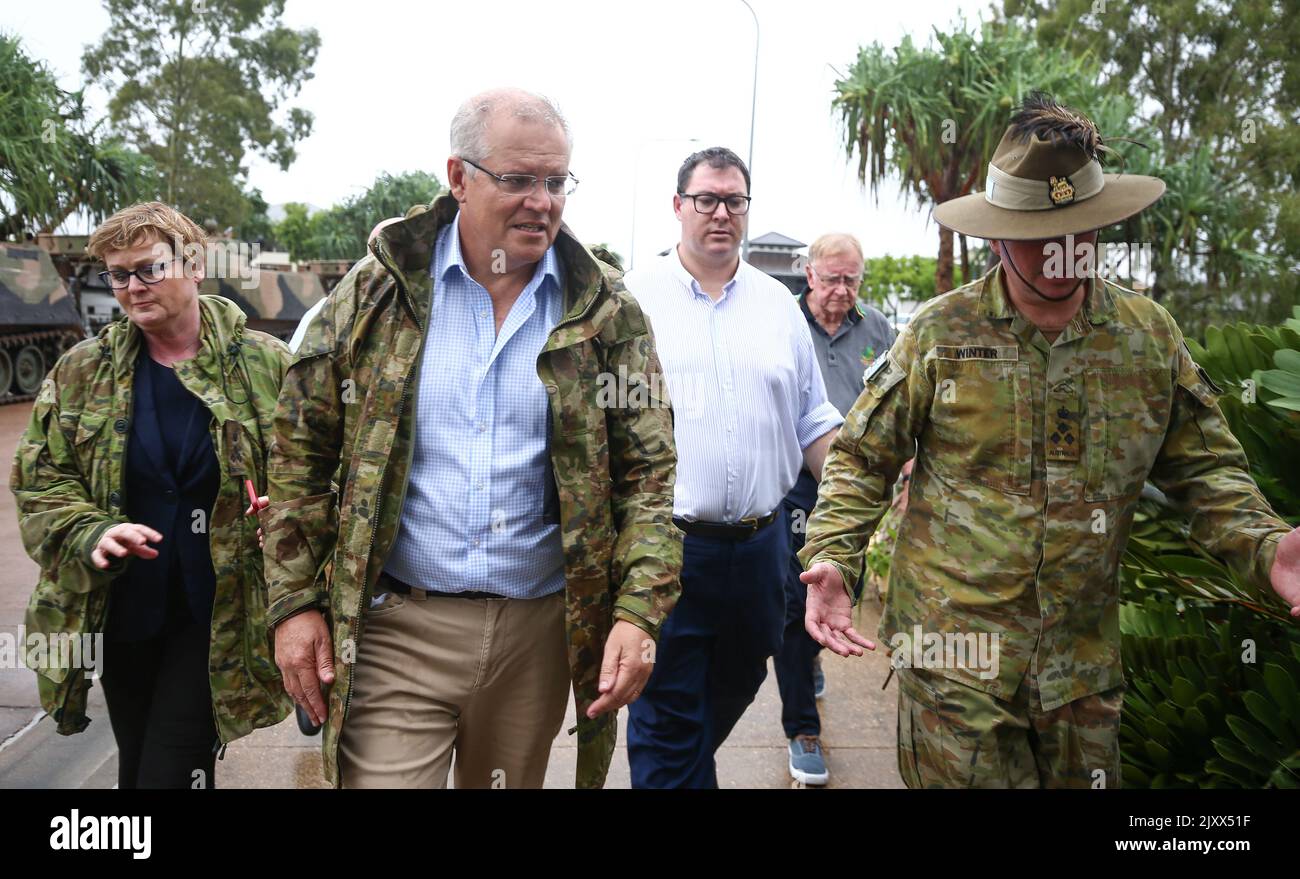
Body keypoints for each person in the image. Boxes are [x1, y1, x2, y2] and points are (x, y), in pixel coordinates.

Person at [799, 92, 1300, 789]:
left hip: (1080, 669)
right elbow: (861, 458)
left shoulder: (1147, 337)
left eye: (1081, 230)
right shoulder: (941, 334)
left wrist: (1267, 545)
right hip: (955, 663)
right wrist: (832, 556)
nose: (1064, 250)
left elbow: (1206, 469)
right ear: (998, 234)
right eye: (1040, 233)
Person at [261, 88, 681, 790]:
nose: (541, 201)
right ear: (459, 177)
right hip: (400, 627)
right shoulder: (377, 295)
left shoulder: (605, 310)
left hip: (537, 637)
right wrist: (294, 603)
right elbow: (301, 453)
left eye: (555, 181)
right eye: (517, 179)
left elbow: (648, 476)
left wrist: (639, 609)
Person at [11, 202, 292, 788]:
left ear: (193, 265)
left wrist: (286, 514)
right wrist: (93, 531)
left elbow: (315, 470)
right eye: (118, 275)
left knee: (167, 772)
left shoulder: (265, 366)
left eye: (148, 269)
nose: (132, 287)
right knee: (138, 764)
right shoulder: (83, 372)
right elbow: (41, 481)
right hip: (122, 610)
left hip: (218, 613)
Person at [621, 147, 843, 788]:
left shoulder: (779, 305)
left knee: (743, 675)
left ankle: (681, 764)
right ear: (679, 207)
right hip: (668, 547)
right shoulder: (634, 298)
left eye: (734, 201)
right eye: (707, 199)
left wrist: (868, 480)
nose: (721, 213)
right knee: (665, 710)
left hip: (761, 549)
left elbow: (811, 421)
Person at [777, 232, 895, 786]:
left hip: (854, 495)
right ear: (809, 274)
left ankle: (814, 652)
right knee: (791, 601)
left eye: (852, 279)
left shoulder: (877, 330)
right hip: (790, 485)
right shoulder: (782, 322)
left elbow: (898, 406)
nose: (842, 291)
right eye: (832, 279)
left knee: (839, 587)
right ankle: (803, 730)